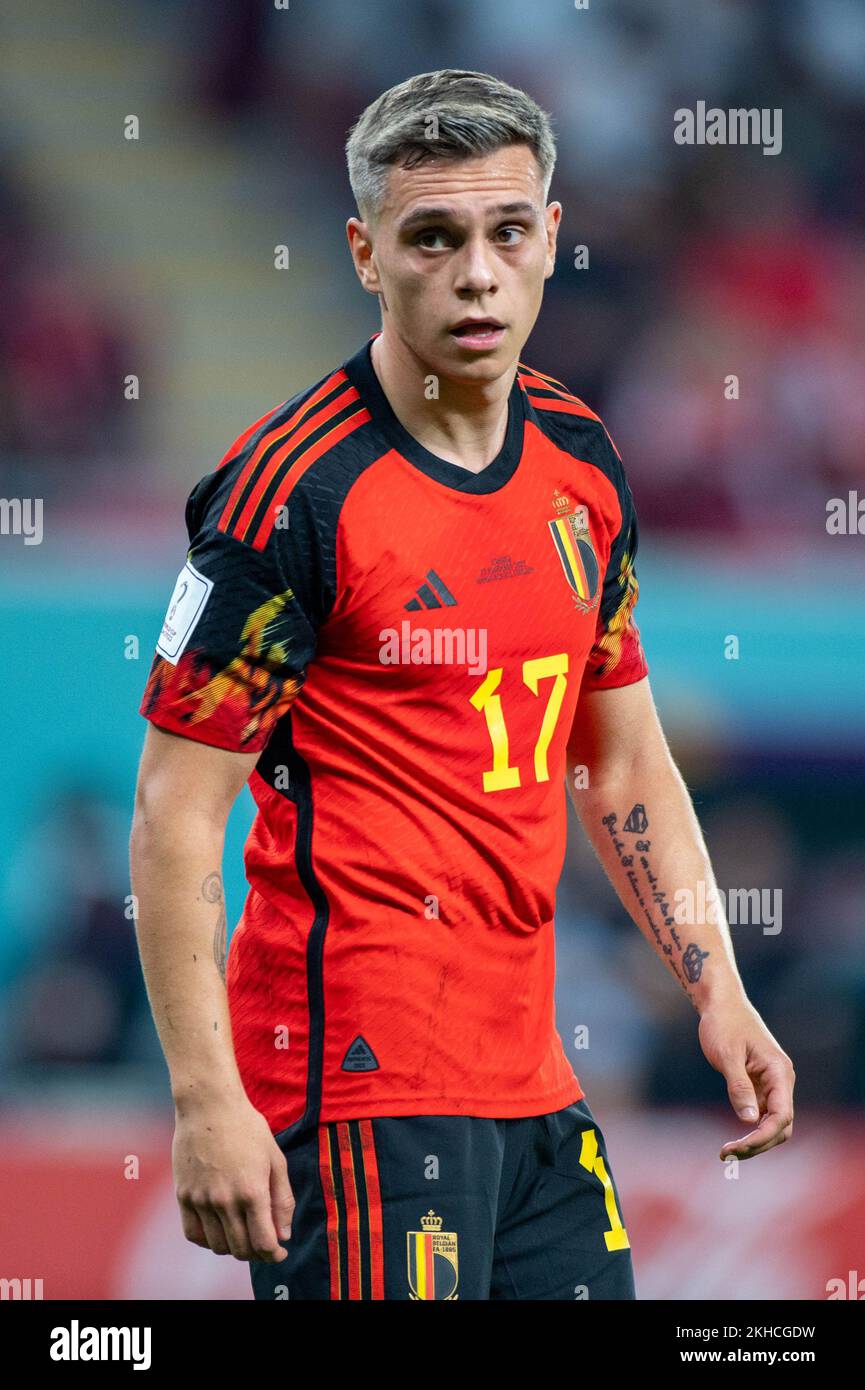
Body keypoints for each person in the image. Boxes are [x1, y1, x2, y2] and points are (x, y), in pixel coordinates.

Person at [130, 68, 795, 1301]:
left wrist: (719, 988)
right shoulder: (289, 497)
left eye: (504, 232)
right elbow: (177, 811)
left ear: (551, 237)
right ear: (366, 253)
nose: (476, 274)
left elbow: (623, 759)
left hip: (534, 1085)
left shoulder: (581, 465)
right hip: (358, 1090)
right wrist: (206, 1096)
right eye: (431, 237)